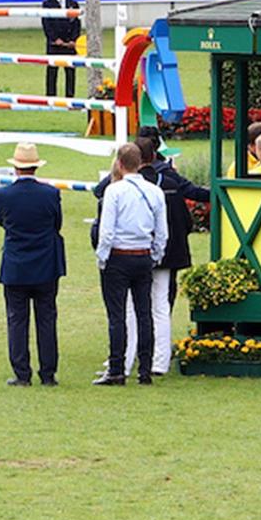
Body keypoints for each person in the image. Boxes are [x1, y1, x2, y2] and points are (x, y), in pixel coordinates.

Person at [99, 129, 210, 378]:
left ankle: (124, 361)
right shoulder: (167, 180)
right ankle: (156, 362)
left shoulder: (116, 188)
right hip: (155, 252)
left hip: (126, 252)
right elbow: (166, 227)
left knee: (129, 310)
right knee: (156, 307)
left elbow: (105, 220)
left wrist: (103, 257)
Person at [0, 142, 64, 387]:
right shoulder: (50, 194)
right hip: (45, 265)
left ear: (16, 168)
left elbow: (2, 221)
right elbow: (57, 223)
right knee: (47, 319)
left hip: (17, 265)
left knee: (17, 320)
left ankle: (22, 373)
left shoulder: (3, 195)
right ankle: (48, 373)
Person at [93, 142, 167, 386]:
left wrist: (102, 257)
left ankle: (117, 368)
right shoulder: (155, 191)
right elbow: (162, 231)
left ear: (120, 164)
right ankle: (145, 369)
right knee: (144, 313)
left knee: (117, 315)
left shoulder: (114, 191)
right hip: (142, 254)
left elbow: (107, 230)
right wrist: (155, 254)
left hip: (118, 254)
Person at [38, 0, 83, 98]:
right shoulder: (47, 4)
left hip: (69, 44)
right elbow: (46, 24)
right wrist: (54, 39)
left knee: (70, 72)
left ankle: (70, 97)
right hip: (55, 44)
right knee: (52, 71)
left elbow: (77, 24)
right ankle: (51, 97)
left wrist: (74, 40)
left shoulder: (73, 4)